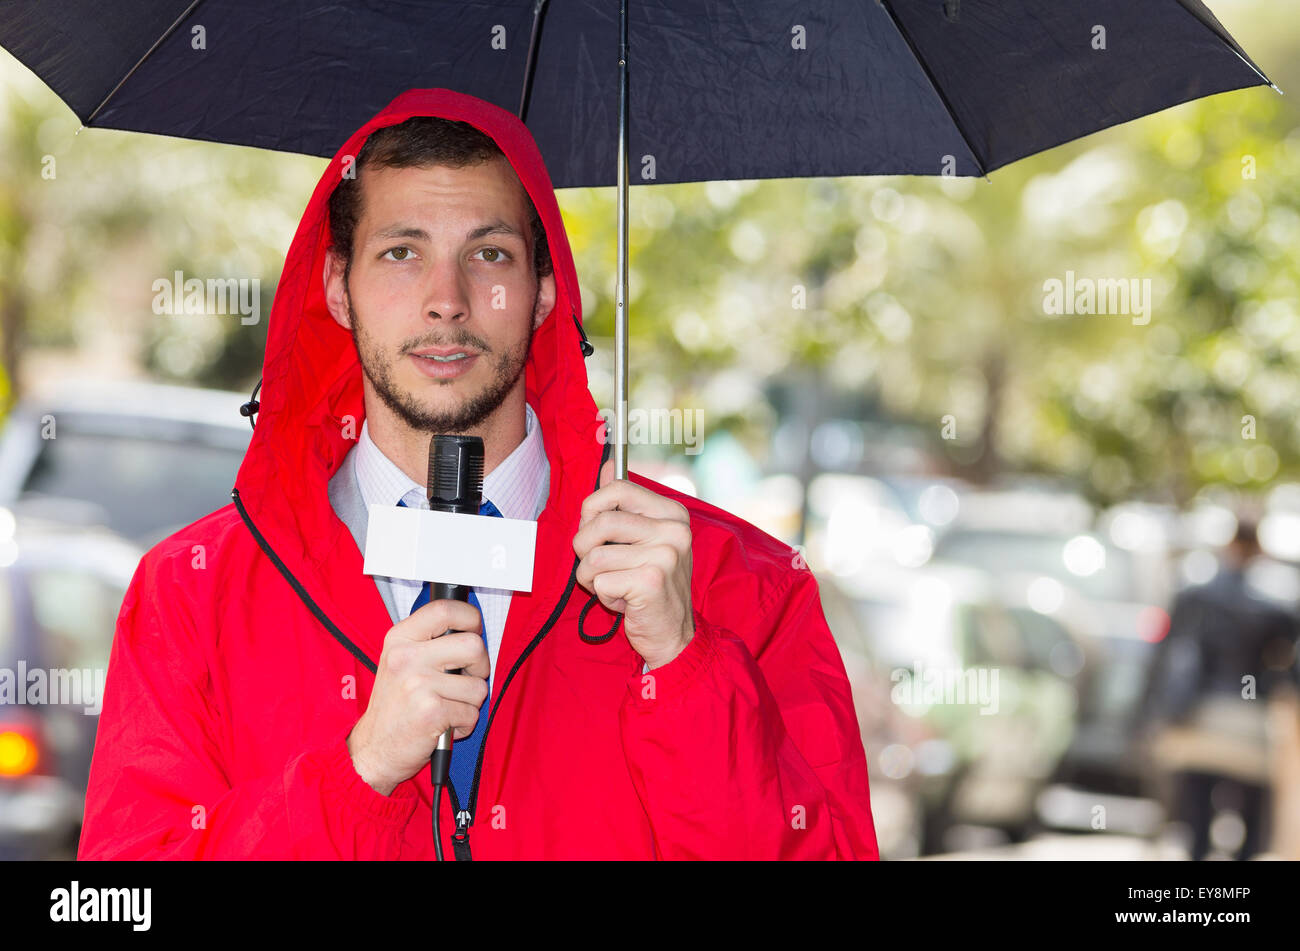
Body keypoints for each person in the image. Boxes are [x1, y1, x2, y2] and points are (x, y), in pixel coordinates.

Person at [77, 88, 881, 860]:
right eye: (401, 253)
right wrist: (358, 770)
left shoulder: (743, 587)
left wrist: (684, 666)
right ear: (337, 288)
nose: (447, 300)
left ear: (541, 292)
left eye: (488, 253)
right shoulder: (191, 595)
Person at [1137, 518, 1300, 860]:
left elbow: (1166, 654)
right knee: (1250, 817)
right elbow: (1286, 667)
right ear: (1258, 548)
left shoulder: (1196, 595)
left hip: (1200, 713)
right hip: (1249, 716)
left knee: (1197, 811)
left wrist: (1149, 710)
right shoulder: (1276, 608)